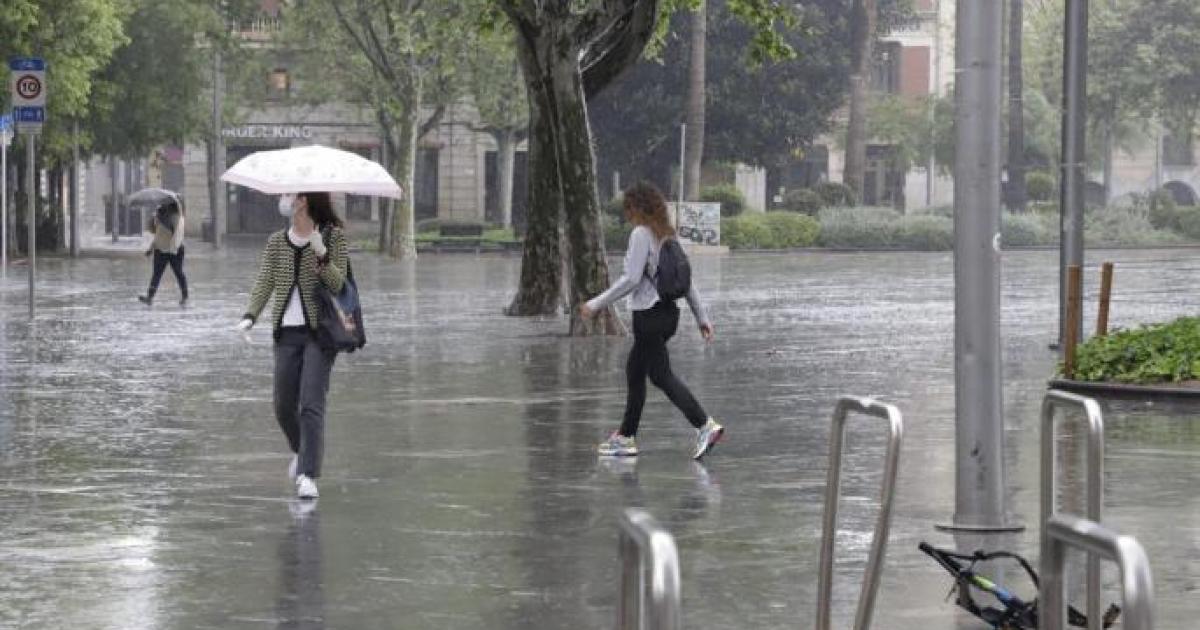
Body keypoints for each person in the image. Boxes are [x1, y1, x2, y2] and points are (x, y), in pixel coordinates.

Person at [580, 181, 724, 460]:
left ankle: (704, 425)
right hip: (669, 315)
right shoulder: (667, 235)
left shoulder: (641, 234)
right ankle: (626, 437)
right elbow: (687, 281)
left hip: (648, 316)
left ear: (637, 208)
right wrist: (702, 318)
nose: (627, 215)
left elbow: (631, 279)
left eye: (628, 208)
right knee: (636, 371)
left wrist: (595, 304)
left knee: (660, 375)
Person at [236, 192, 348, 499]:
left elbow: (339, 286)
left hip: (321, 334)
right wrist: (249, 316)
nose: (284, 200)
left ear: (304, 200)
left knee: (311, 403)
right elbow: (265, 281)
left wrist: (321, 252)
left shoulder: (333, 237)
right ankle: (301, 450)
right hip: (286, 333)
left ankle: (308, 475)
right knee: (283, 405)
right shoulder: (276, 241)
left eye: (290, 195)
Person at [138, 200, 188, 306]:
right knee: (158, 274)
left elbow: (176, 235)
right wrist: (151, 248)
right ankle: (150, 297)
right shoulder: (160, 216)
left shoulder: (176, 218)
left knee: (178, 273)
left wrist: (173, 247)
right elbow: (156, 234)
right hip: (162, 250)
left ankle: (184, 296)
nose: (162, 206)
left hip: (174, 250)